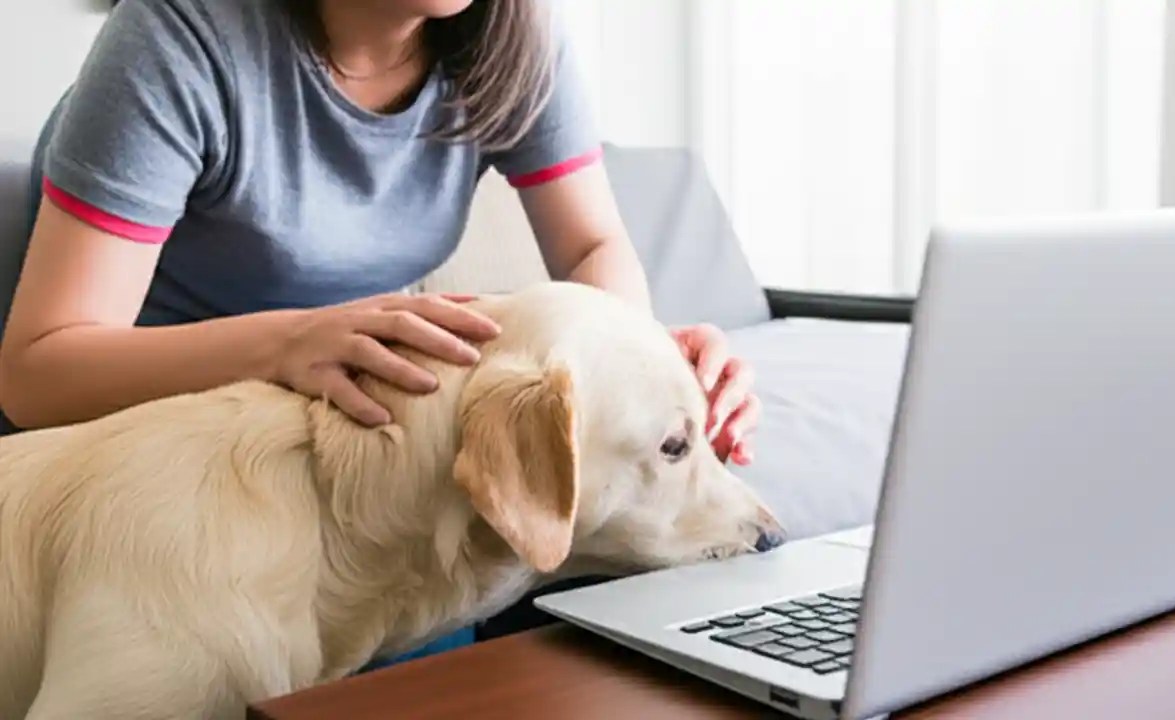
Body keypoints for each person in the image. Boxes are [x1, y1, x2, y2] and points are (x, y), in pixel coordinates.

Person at [0, 0, 760, 662]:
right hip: (157, 482)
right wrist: (286, 345)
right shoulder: (180, 36)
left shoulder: (512, 35)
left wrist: (643, 369)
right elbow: (38, 371)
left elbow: (595, 247)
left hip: (349, 446)